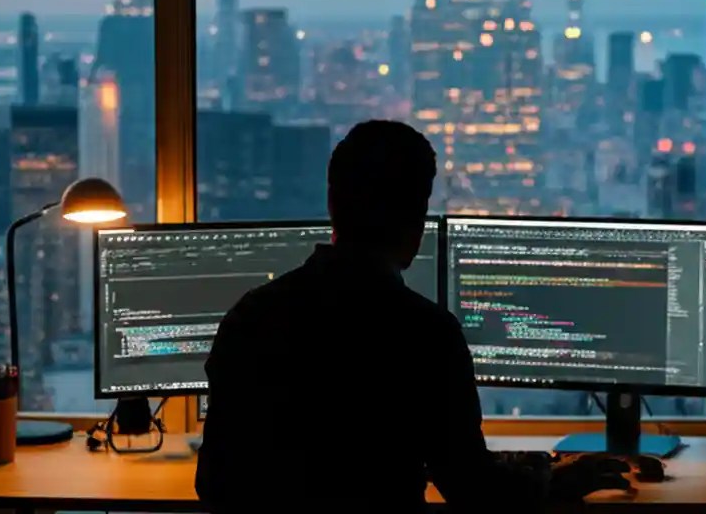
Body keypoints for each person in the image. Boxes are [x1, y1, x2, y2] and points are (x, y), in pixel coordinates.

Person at [195, 120, 630, 512]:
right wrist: (553, 479)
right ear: (417, 219)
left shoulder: (249, 318)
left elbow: (213, 484)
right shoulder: (426, 335)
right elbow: (472, 488)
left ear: (332, 203)